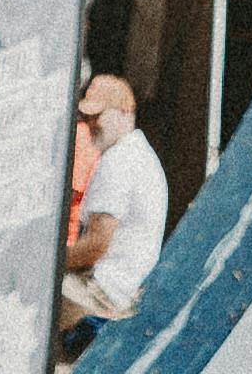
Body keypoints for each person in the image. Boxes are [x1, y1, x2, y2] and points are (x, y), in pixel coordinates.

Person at [57, 71, 169, 349]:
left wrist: (50, 264)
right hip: (124, 288)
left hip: (105, 292)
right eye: (87, 116)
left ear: (125, 112)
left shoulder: (119, 161)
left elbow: (96, 245)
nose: (91, 123)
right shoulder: (140, 156)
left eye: (98, 115)